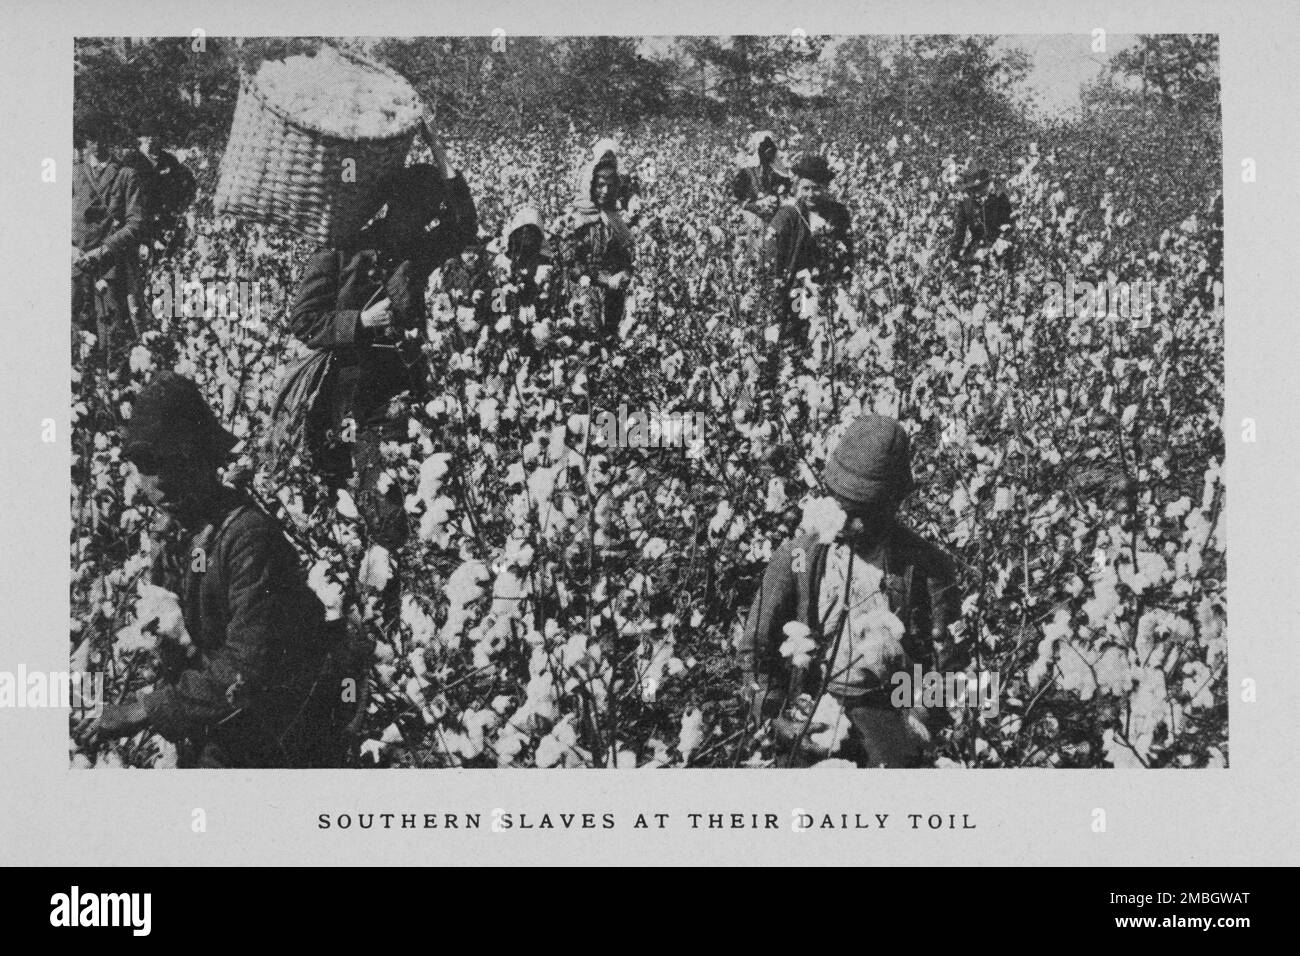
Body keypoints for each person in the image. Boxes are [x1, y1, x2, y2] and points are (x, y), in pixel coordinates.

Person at [92, 373, 356, 768]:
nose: (161, 480)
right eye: (147, 465)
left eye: (175, 461)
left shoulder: (248, 537)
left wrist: (144, 710)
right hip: (226, 732)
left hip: (281, 742)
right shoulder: (176, 539)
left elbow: (247, 671)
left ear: (206, 459)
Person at [736, 415, 961, 768]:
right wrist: (774, 716)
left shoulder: (926, 568)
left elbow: (947, 663)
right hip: (810, 701)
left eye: (862, 513)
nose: (846, 523)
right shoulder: (797, 559)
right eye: (840, 505)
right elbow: (755, 649)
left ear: (893, 504)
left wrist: (917, 719)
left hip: (886, 706)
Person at [286, 150, 477, 556]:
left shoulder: (421, 251)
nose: (420, 220)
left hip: (402, 384)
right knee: (357, 489)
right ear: (393, 206)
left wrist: (445, 164)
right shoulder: (343, 252)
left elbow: (464, 226)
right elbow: (304, 320)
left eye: (427, 212)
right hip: (349, 387)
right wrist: (359, 321)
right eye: (412, 209)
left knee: (402, 484)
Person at [758, 152, 854, 393]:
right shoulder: (788, 215)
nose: (811, 194)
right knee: (796, 338)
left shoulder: (838, 214)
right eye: (806, 189)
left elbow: (847, 252)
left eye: (817, 189)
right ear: (797, 187)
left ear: (826, 188)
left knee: (828, 341)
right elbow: (771, 259)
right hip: (797, 290)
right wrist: (776, 293)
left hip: (829, 289)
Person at [72, 117, 147, 358]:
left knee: (110, 337)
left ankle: (112, 389)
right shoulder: (74, 174)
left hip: (109, 266)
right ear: (85, 141)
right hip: (76, 262)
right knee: (72, 332)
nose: (97, 143)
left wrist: (104, 250)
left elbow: (136, 223)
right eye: (92, 138)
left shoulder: (126, 175)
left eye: (103, 136)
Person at [558, 139, 635, 339]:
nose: (605, 191)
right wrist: (602, 279)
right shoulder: (576, 219)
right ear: (590, 186)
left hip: (613, 295)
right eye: (600, 185)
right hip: (583, 294)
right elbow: (571, 265)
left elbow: (625, 257)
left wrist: (624, 273)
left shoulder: (614, 219)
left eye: (610, 186)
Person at [493, 206, 555, 321]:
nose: (525, 234)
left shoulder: (545, 263)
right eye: (522, 230)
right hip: (508, 317)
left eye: (531, 230)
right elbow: (496, 295)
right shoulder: (503, 260)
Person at [949, 166, 1014, 267]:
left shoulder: (999, 198)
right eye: (973, 189)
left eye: (981, 187)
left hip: (999, 243)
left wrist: (1002, 239)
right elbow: (960, 231)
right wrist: (954, 253)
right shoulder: (966, 205)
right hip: (977, 245)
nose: (977, 192)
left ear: (987, 185)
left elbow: (1008, 223)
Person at [730, 129, 792, 228]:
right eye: (766, 151)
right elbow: (738, 198)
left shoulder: (778, 170)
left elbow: (786, 189)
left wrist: (777, 199)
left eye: (771, 151)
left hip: (779, 217)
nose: (769, 155)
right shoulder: (747, 172)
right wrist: (756, 206)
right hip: (756, 220)